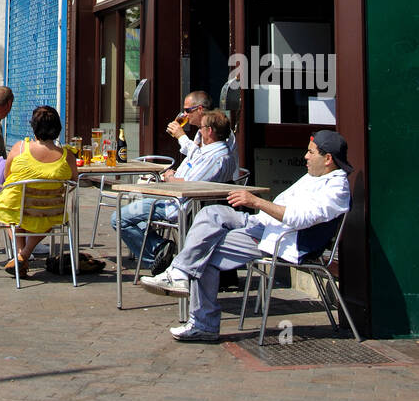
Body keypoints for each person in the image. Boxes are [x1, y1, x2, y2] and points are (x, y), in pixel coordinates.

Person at [140, 130, 353, 343]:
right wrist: (257, 208)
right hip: (264, 224)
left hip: (283, 240)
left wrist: (256, 202)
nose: (305, 156)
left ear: (327, 159)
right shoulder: (314, 176)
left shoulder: (336, 189)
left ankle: (202, 322)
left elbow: (299, 218)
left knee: (205, 250)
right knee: (210, 213)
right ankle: (180, 274)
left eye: (311, 152)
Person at [110, 110, 235, 271]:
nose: (199, 130)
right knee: (134, 204)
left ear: (209, 131)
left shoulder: (215, 157)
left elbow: (190, 185)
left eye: (201, 128)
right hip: (173, 201)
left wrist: (169, 178)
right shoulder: (212, 151)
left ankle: (158, 257)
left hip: (176, 205)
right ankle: (160, 248)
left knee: (119, 217)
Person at [0, 105, 78, 277]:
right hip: (48, 212)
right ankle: (24, 253)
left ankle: (20, 254)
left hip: (16, 208)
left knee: (10, 211)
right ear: (58, 129)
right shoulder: (67, 156)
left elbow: (7, 174)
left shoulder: (19, 148)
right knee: (45, 216)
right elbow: (74, 182)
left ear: (34, 127)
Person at [167, 92, 239, 181]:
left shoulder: (220, 134)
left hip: (208, 189)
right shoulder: (201, 132)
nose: (184, 114)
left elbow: (203, 160)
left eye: (187, 110)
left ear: (200, 109)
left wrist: (182, 137)